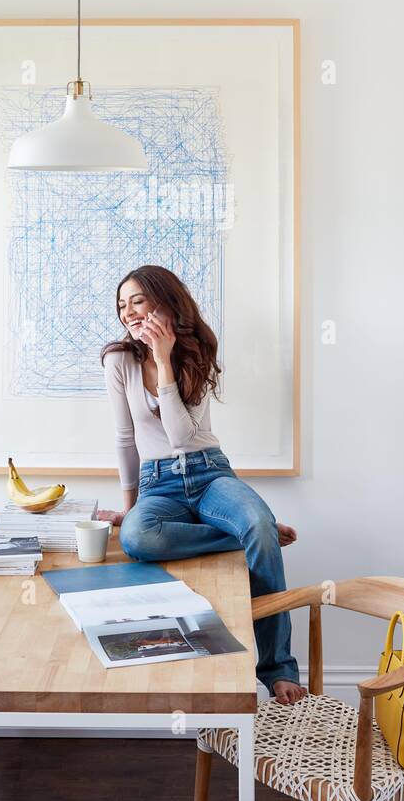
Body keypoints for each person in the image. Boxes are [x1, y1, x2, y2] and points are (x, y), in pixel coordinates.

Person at [98, 263, 307, 706]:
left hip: (209, 470)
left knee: (256, 522)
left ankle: (276, 667)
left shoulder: (195, 350)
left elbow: (182, 437)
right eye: (122, 305)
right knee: (137, 536)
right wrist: (130, 506)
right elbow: (125, 439)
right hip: (158, 483)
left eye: (137, 301)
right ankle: (250, 537)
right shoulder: (118, 360)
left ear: (164, 302)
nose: (128, 313)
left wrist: (164, 358)